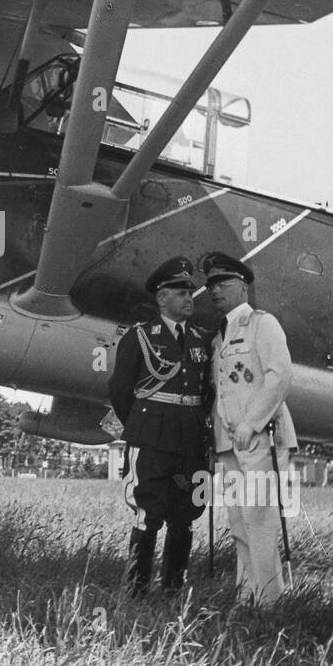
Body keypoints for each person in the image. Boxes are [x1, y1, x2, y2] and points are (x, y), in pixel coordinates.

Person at [107, 256, 213, 598]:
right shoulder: (140, 337)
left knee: (184, 513)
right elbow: (121, 392)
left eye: (190, 292)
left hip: (190, 439)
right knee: (147, 512)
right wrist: (141, 426)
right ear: (161, 298)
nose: (188, 298)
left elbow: (208, 392)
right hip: (150, 438)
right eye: (180, 292)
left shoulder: (201, 339)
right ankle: (136, 589)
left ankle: (172, 588)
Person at [204, 251, 296, 608]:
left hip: (260, 437)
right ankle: (247, 598)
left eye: (223, 283)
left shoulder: (262, 323)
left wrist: (252, 422)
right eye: (211, 285)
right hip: (229, 443)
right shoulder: (219, 336)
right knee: (239, 522)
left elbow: (279, 376)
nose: (215, 291)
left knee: (260, 521)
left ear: (242, 287)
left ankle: (270, 603)